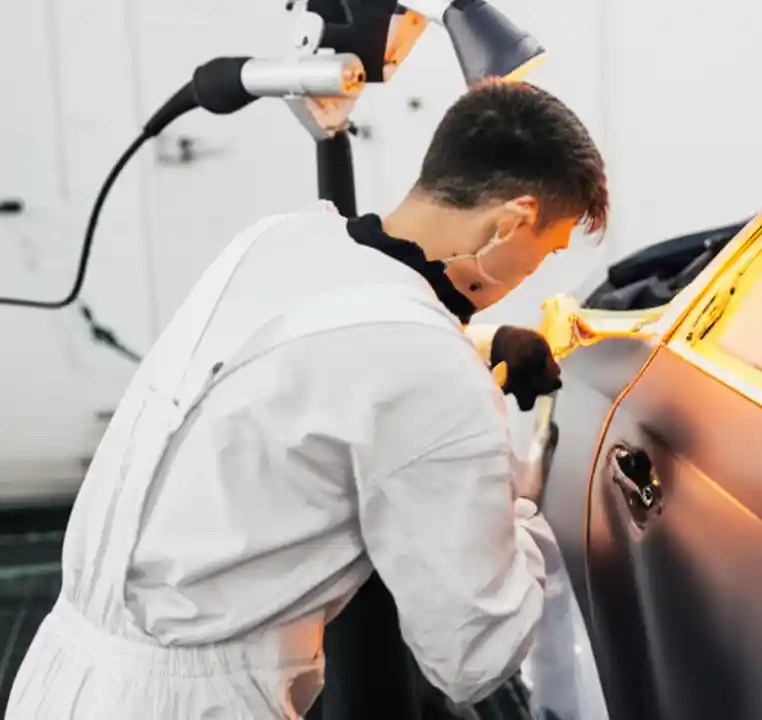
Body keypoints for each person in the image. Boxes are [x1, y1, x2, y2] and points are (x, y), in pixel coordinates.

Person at [5, 79, 607, 719]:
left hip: (61, 679)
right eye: (546, 252)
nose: (533, 275)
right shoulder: (430, 370)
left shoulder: (276, 241)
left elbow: (304, 362)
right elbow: (473, 658)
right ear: (512, 220)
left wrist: (481, 342)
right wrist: (531, 512)